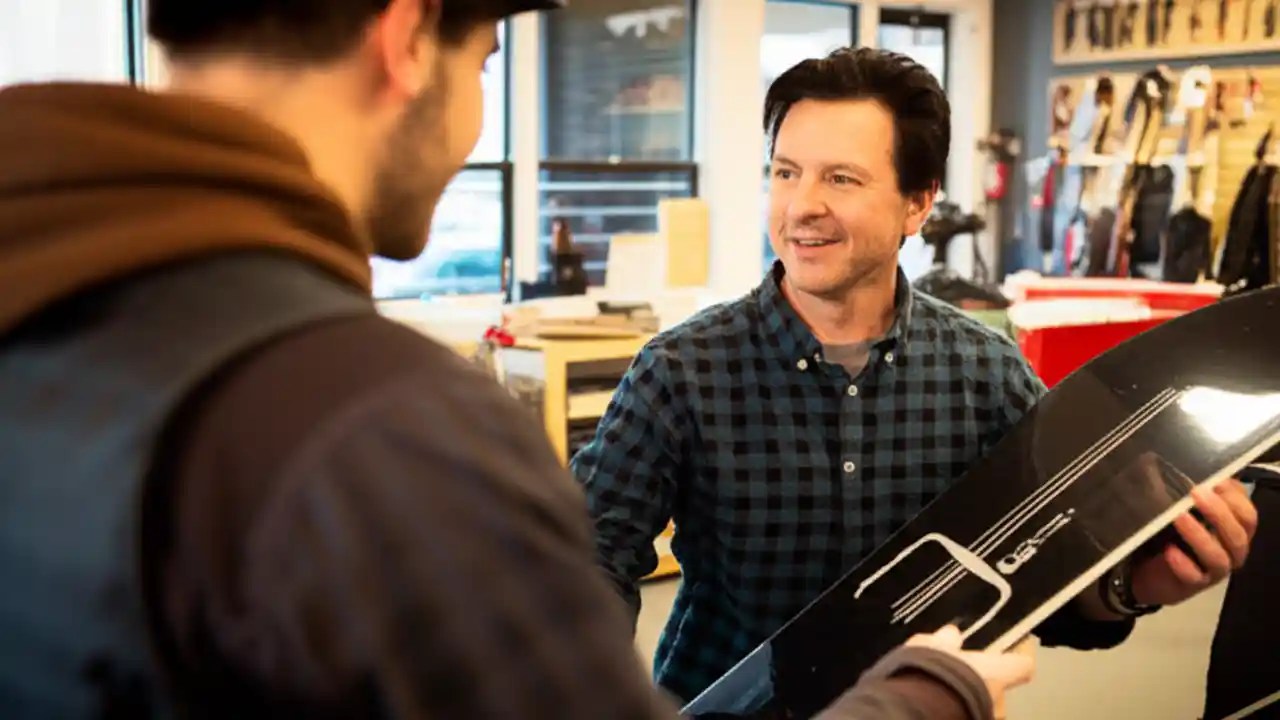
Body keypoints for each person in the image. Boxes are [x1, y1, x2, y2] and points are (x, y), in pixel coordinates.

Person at [0, 3, 1033, 719]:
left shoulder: (50, 324)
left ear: (917, 202)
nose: (471, 124)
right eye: (489, 60)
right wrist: (928, 697)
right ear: (407, 37)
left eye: (839, 178)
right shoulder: (386, 429)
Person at [573, 47, 1259, 707]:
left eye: (840, 178)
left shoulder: (987, 375)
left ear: (918, 203)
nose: (801, 205)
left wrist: (1137, 585)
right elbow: (582, 567)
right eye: (785, 172)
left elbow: (1049, 585)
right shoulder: (680, 371)